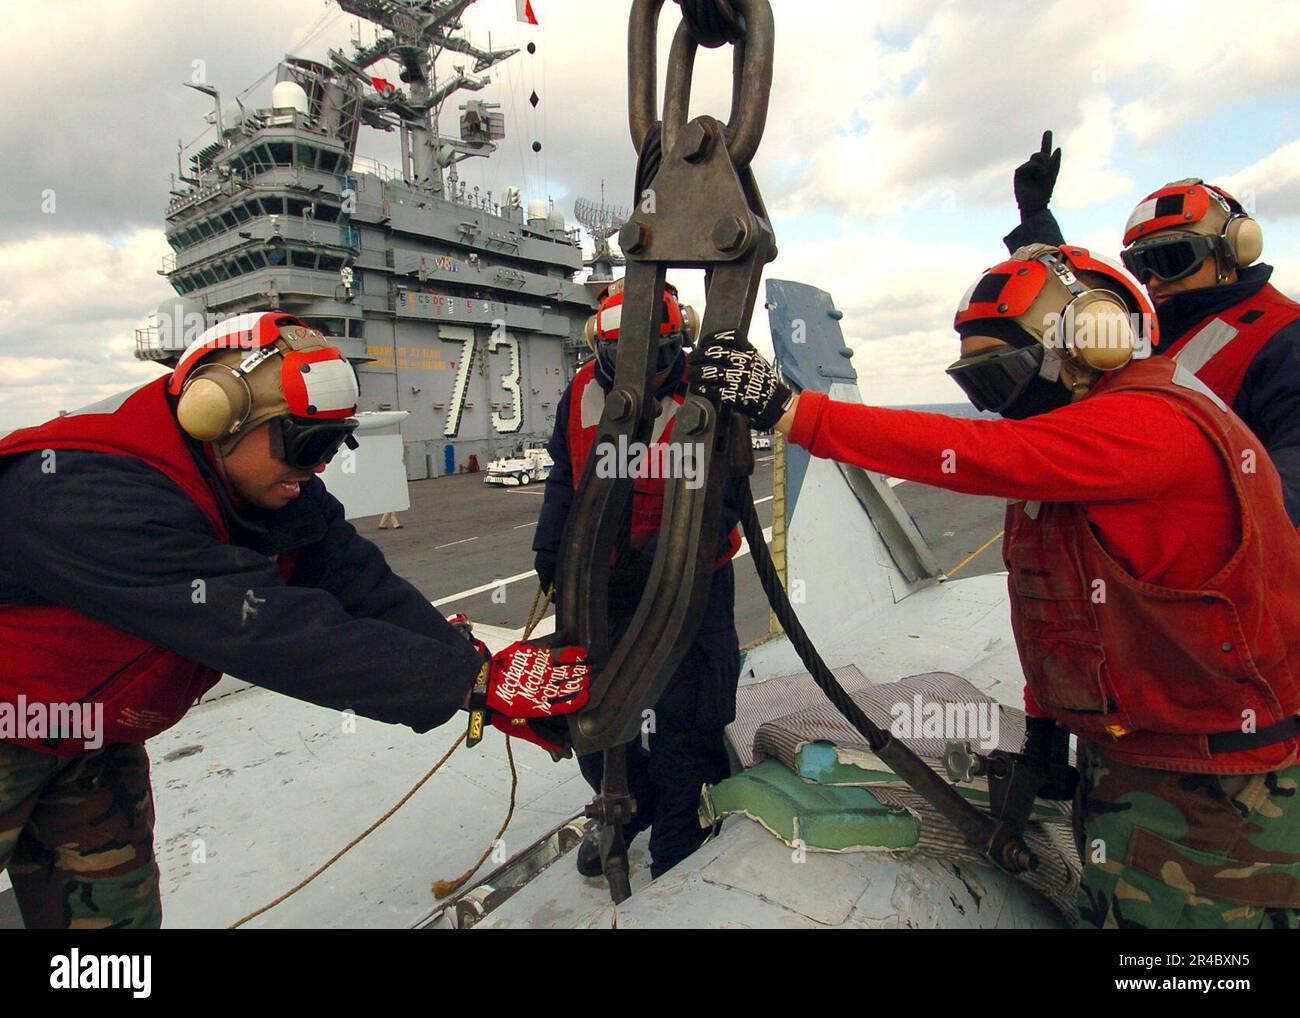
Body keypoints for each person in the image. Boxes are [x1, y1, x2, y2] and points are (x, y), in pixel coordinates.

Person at [690, 244, 1300, 929]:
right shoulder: (1079, 452)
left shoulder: (1155, 421)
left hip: (1224, 792)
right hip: (1136, 771)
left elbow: (985, 455)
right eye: (983, 387)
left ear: (1091, 340)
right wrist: (1044, 732)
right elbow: (1054, 609)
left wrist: (792, 412)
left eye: (1007, 375)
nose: (1003, 404)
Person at [0, 311, 587, 929]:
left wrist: (478, 675)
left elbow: (359, 585)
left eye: (333, 444)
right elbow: (263, 627)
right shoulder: (84, 489)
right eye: (305, 443)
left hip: (94, 737)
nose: (320, 467)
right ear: (215, 416)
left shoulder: (277, 487)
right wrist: (460, 685)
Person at [532, 280, 742, 879]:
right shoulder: (579, 393)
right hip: (603, 579)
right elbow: (563, 474)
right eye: (620, 360)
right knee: (592, 706)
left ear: (679, 344)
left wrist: (654, 566)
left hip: (692, 583)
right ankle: (627, 807)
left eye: (653, 358)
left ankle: (683, 830)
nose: (638, 376)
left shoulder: (709, 395)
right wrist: (552, 546)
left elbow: (721, 501)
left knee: (687, 711)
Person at [1006, 131, 1300, 522]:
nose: (1153, 281)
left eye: (1172, 258)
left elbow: (1292, 472)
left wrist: (1204, 525)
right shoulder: (1150, 330)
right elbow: (1079, 299)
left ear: (1232, 251)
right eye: (1140, 266)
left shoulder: (1284, 335)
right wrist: (1036, 220)